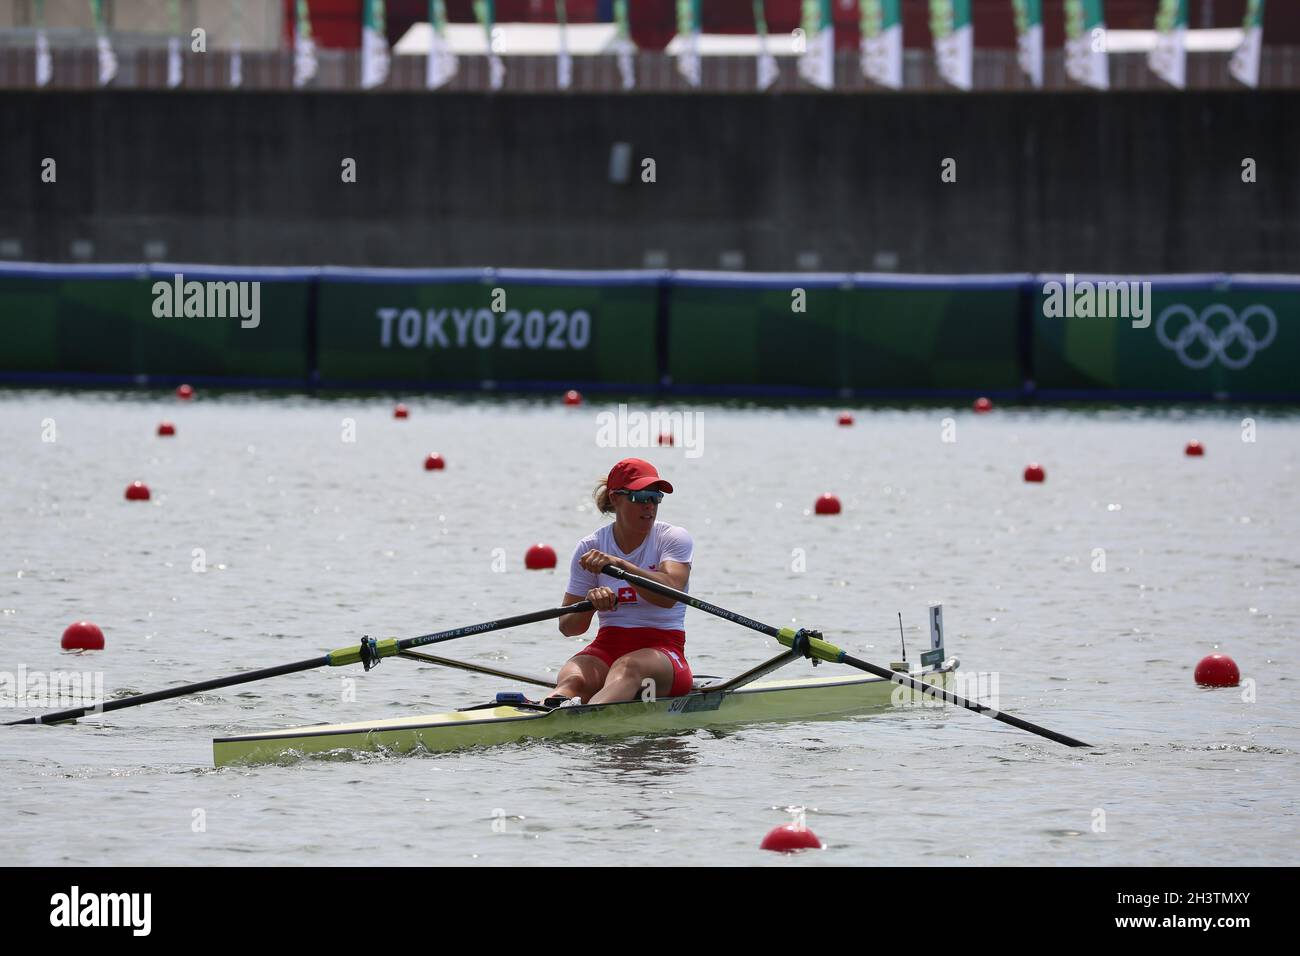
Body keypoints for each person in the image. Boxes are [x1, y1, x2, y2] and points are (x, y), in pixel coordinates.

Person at [549, 458, 693, 706]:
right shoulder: (591, 547)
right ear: (615, 498)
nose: (649, 506)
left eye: (655, 497)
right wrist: (591, 603)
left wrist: (621, 566)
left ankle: (587, 726)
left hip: (664, 652)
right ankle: (545, 716)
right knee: (573, 679)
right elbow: (568, 627)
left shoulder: (672, 538)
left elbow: (670, 594)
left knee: (627, 668)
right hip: (607, 646)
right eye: (640, 497)